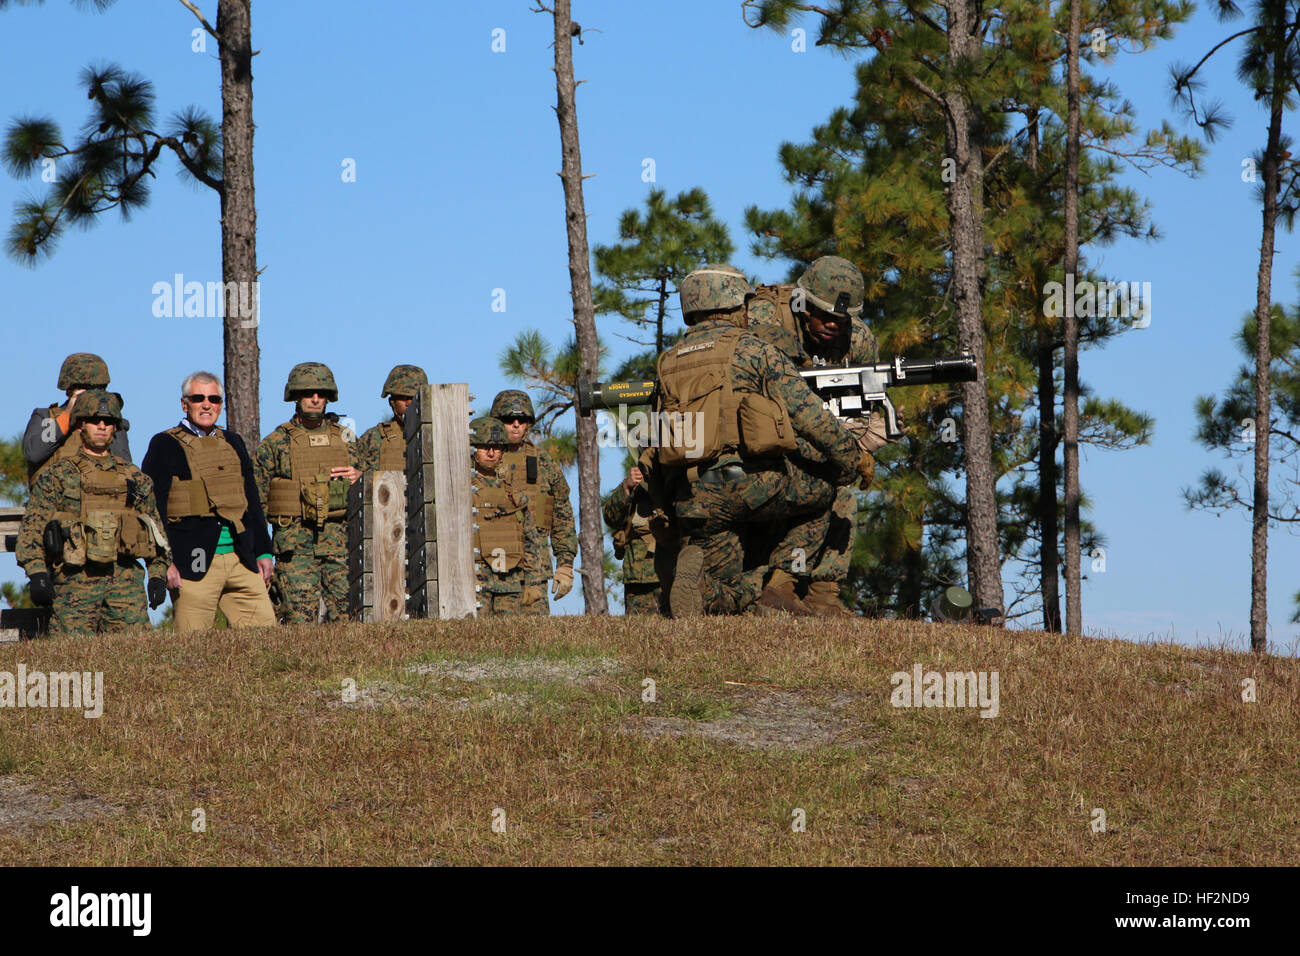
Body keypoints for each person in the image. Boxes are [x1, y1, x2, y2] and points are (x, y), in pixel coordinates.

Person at [651, 263, 859, 617]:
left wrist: (669, 510)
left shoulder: (667, 363)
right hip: (745, 482)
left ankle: (705, 588)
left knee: (726, 595)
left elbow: (655, 445)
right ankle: (778, 581)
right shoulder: (753, 349)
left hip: (695, 496)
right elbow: (811, 417)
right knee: (825, 487)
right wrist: (850, 461)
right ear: (735, 306)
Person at [747, 255, 892, 616]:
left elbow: (863, 408)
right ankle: (778, 584)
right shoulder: (764, 319)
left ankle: (821, 592)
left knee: (841, 481)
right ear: (802, 303)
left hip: (819, 443)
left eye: (840, 319)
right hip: (759, 440)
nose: (831, 325)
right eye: (822, 314)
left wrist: (864, 437)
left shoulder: (857, 341)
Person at [16, 390, 169, 636]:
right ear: (80, 426)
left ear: (115, 428)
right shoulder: (58, 476)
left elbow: (157, 534)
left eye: (108, 421)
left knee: (135, 659)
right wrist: (37, 574)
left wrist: (158, 575)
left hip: (125, 583)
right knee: (71, 662)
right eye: (94, 420)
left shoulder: (135, 478)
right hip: (74, 583)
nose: (101, 425)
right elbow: (32, 531)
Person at [141, 372, 276, 631]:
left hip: (241, 560)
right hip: (193, 562)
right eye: (198, 398)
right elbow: (152, 509)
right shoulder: (164, 444)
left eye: (214, 399)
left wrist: (263, 551)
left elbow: (252, 500)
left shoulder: (233, 442)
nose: (206, 404)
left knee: (266, 639)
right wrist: (163, 563)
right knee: (192, 650)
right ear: (184, 404)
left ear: (221, 405)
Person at [253, 362, 361, 624]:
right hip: (295, 548)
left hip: (339, 545)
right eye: (308, 393)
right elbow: (256, 501)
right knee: (300, 624)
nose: (315, 399)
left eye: (321, 393)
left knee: (348, 622)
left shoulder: (346, 438)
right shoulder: (276, 443)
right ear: (295, 396)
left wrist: (360, 478)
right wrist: (261, 550)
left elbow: (374, 488)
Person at [489, 389, 577, 613]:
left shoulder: (544, 463)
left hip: (535, 572)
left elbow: (562, 518)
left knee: (537, 643)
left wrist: (565, 565)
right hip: (492, 572)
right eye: (509, 419)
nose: (516, 424)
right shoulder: (481, 462)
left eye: (522, 419)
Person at [469, 417, 542, 616]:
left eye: (497, 447)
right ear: (473, 449)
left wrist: (533, 583)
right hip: (475, 583)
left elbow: (531, 541)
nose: (491, 453)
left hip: (510, 585)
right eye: (484, 447)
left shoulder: (515, 494)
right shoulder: (463, 492)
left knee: (510, 642)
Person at [23, 352, 131, 485]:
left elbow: (126, 470)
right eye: (87, 390)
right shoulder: (48, 418)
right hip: (54, 503)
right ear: (69, 390)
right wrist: (68, 416)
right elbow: (34, 453)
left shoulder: (108, 423)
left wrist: (113, 421)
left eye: (99, 390)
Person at [601, 460, 675, 615]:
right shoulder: (637, 483)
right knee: (637, 632)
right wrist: (627, 488)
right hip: (640, 577)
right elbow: (611, 517)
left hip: (674, 572)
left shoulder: (677, 477)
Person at [356, 364, 427, 473]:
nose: (409, 403)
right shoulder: (374, 438)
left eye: (413, 398)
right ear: (392, 402)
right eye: (403, 398)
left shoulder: (436, 434)